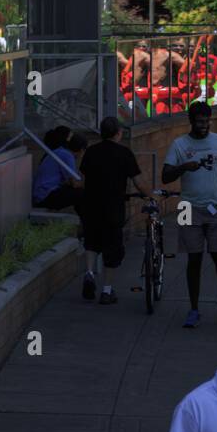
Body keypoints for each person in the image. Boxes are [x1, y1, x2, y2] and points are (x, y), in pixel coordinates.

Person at [164, 102, 217, 328]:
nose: (204, 126)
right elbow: (166, 175)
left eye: (207, 122)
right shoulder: (179, 144)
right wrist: (183, 167)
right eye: (199, 122)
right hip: (188, 207)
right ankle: (194, 308)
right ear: (191, 121)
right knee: (193, 259)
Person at [80, 116, 148, 306]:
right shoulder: (124, 153)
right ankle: (107, 291)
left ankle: (89, 273)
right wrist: (151, 196)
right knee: (112, 248)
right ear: (118, 133)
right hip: (113, 207)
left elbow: (82, 180)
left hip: (91, 205)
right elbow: (138, 181)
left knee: (92, 242)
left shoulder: (91, 152)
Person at [32, 125, 83, 215]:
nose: (71, 140)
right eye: (70, 137)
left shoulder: (54, 153)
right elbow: (74, 183)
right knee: (82, 194)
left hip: (39, 195)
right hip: (45, 196)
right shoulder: (65, 154)